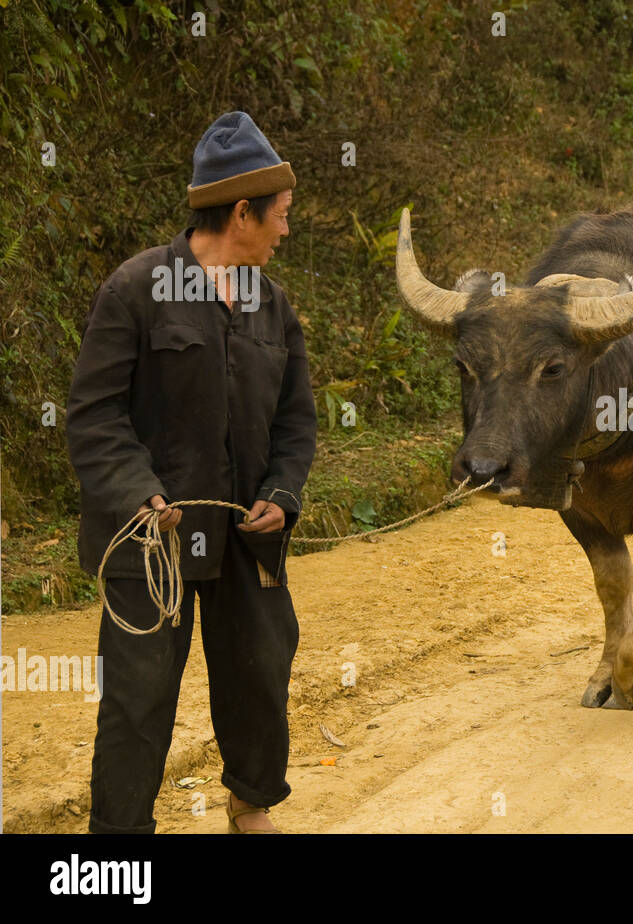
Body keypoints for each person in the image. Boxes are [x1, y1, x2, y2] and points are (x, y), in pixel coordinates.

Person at [67, 111, 317, 834]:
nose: (286, 231)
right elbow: (94, 414)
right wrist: (135, 492)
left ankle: (250, 803)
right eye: (282, 216)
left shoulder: (273, 305)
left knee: (260, 674)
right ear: (243, 212)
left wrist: (281, 494)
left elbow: (297, 422)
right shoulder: (137, 290)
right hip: (151, 543)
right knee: (138, 701)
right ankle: (119, 851)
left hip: (246, 538)